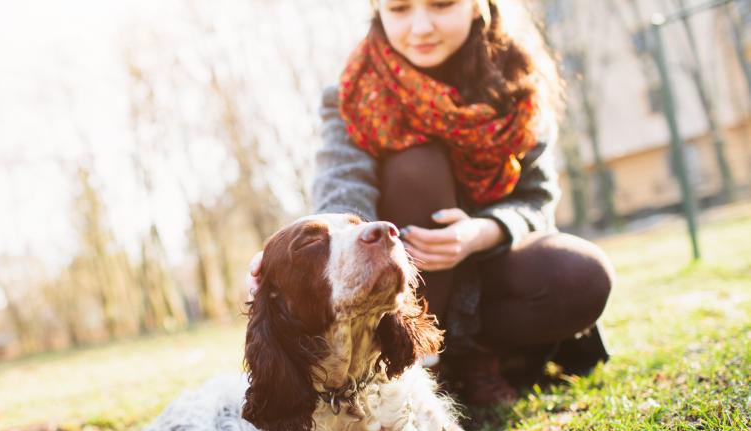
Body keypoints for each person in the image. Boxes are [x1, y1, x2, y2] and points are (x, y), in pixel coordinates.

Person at [250, 0, 613, 406]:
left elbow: (536, 200)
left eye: (441, 4)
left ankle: (473, 359)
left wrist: (480, 232)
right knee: (418, 165)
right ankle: (421, 367)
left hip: (493, 271)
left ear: (478, 6)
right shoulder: (353, 94)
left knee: (582, 275)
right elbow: (341, 192)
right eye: (400, 9)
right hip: (402, 273)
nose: (420, 26)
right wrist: (292, 255)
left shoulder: (518, 86)